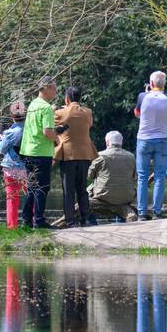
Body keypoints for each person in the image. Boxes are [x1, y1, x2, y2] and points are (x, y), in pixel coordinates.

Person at [134, 71, 167, 220]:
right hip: (163, 139)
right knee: (159, 176)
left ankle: (142, 212)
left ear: (151, 84)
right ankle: (157, 211)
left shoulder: (142, 96)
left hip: (144, 138)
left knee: (142, 177)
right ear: (164, 84)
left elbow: (137, 113)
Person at [54, 86, 96, 227]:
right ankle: (86, 218)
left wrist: (54, 109)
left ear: (67, 99)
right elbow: (88, 124)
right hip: (85, 154)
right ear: (80, 98)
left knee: (68, 190)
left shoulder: (60, 113)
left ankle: (70, 221)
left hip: (68, 155)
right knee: (82, 189)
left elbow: (51, 126)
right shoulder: (88, 112)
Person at [19, 80, 59, 229]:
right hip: (41, 152)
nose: (55, 92)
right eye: (54, 88)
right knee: (42, 187)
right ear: (47, 88)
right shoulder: (46, 108)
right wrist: (57, 138)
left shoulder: (33, 105)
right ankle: (40, 220)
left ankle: (26, 220)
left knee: (31, 187)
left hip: (28, 151)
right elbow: (47, 132)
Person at [84, 131, 138, 223]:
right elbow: (135, 177)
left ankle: (93, 223)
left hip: (103, 195)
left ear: (107, 142)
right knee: (124, 208)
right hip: (125, 196)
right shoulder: (131, 157)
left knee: (84, 200)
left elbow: (89, 176)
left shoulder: (99, 156)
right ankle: (120, 223)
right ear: (121, 142)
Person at [0, 99, 28, 230]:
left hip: (11, 168)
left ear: (12, 116)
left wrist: (2, 139)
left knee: (12, 198)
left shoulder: (10, 133)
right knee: (30, 196)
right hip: (27, 167)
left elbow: (1, 149)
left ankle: (12, 226)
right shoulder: (30, 129)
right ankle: (30, 223)